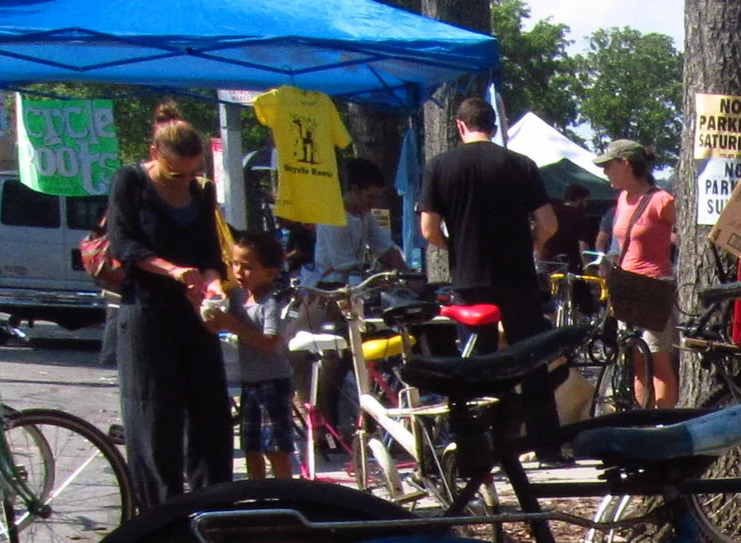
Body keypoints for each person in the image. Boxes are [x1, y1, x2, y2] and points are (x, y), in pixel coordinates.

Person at [107, 101, 234, 507]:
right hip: (147, 311)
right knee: (156, 416)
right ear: (154, 154)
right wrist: (173, 270)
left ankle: (213, 504)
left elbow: (211, 255)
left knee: (211, 411)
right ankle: (160, 510)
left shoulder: (201, 192)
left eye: (194, 173)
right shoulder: (131, 182)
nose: (185, 182)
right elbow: (123, 244)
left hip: (194, 314)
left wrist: (213, 286)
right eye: (176, 174)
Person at [417, 96, 560, 453]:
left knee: (478, 364)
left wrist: (454, 246)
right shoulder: (521, 164)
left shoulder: (440, 166)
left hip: (470, 277)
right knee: (532, 358)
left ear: (460, 125)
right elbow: (549, 224)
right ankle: (546, 445)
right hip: (517, 276)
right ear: (494, 127)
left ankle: (481, 446)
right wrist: (533, 243)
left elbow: (428, 229)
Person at [596, 139, 677, 409]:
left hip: (653, 287)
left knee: (658, 360)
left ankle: (664, 421)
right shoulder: (622, 199)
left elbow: (683, 236)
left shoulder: (662, 200)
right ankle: (642, 418)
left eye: (609, 166)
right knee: (636, 359)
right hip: (627, 286)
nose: (605, 172)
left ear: (626, 164)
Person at [221, 230, 297, 479]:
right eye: (235, 264)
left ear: (270, 272)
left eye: (247, 267)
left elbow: (271, 343)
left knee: (275, 448)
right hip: (250, 383)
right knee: (251, 447)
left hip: (272, 384)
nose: (238, 272)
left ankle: (286, 493)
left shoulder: (269, 303)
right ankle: (259, 494)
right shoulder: (238, 297)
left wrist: (233, 326)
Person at [310, 158, 403, 287]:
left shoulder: (366, 215)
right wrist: (382, 282)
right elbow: (347, 267)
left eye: (377, 197)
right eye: (370, 197)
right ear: (355, 189)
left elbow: (386, 249)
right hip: (330, 286)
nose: (374, 203)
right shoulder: (334, 218)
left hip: (355, 283)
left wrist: (408, 275)